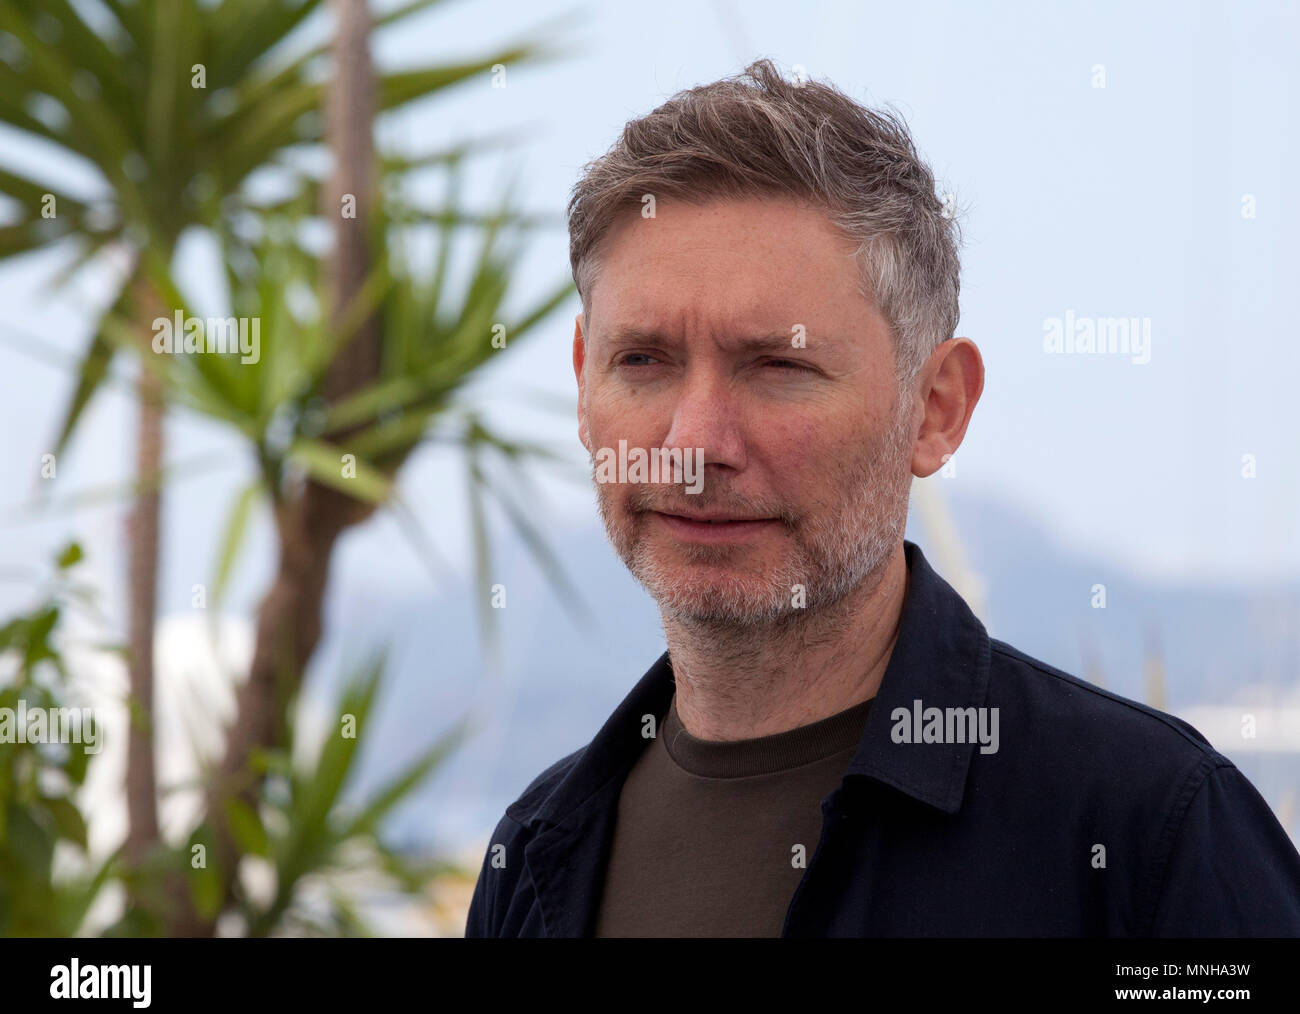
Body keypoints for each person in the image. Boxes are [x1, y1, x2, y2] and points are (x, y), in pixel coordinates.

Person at [465, 58, 1300, 937]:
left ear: (934, 409)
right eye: (642, 361)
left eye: (778, 366)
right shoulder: (533, 857)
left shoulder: (1147, 837)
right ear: (582, 385)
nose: (695, 446)